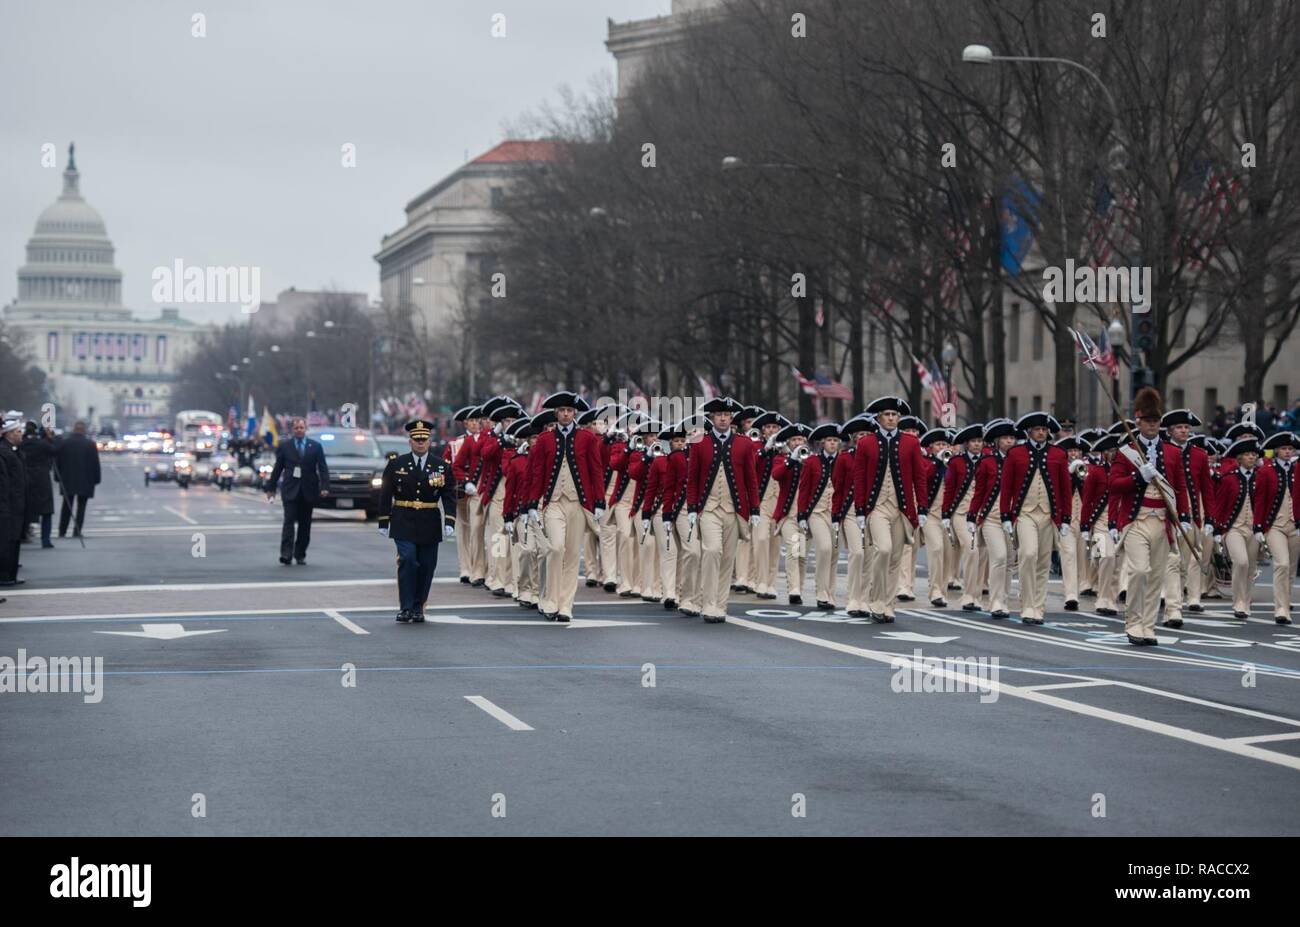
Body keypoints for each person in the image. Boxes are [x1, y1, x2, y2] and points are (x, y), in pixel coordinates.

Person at [1109, 388, 1192, 644]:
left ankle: (1147, 625)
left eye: (1156, 422)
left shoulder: (1173, 453)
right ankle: (1132, 622)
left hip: (1163, 521)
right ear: (1139, 422)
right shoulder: (1126, 452)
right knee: (1139, 571)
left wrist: (1185, 516)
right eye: (1148, 422)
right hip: (1137, 519)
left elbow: (1179, 486)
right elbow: (1114, 485)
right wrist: (1138, 477)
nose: (1153, 426)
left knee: (1156, 575)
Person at [524, 391, 606, 622]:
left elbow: (596, 471)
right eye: (562, 411)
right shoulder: (544, 440)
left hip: (579, 504)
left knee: (571, 555)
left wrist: (599, 501)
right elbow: (536, 473)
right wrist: (532, 502)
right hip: (553, 503)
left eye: (569, 410)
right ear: (556, 413)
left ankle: (565, 605)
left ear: (575, 413)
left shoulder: (588, 439)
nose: (566, 414)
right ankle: (550, 600)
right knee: (555, 548)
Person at [685, 396, 760, 623]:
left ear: (731, 418)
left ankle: (720, 604)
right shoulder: (699, 442)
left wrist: (755, 509)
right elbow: (693, 478)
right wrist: (691, 508)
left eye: (727, 415)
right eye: (719, 415)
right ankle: (707, 603)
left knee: (728, 558)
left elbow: (751, 479)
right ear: (711, 418)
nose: (723, 419)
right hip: (708, 509)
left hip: (735, 510)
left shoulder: (745, 444)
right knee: (712, 551)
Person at [853, 396, 927, 623]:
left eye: (895, 415)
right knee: (883, 550)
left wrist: (922, 508)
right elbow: (860, 477)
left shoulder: (911, 443)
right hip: (876, 507)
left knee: (895, 559)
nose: (891, 418)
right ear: (878, 418)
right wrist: (859, 510)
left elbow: (919, 476)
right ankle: (875, 600)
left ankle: (888, 604)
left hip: (902, 508)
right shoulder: (865, 443)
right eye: (887, 414)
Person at [377, 418, 458, 623]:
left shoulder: (441, 466)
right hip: (403, 520)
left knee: (427, 565)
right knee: (408, 560)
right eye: (416, 439)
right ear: (410, 441)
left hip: (429, 522)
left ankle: (418, 606)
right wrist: (383, 521)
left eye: (424, 439)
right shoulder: (397, 464)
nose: (420, 443)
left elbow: (449, 494)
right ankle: (405, 607)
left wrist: (450, 520)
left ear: (430, 441)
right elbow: (386, 493)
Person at [999, 412, 1071, 625]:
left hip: (1049, 515)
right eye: (1038, 429)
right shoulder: (1016, 453)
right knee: (1028, 554)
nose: (1042, 433)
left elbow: (1065, 489)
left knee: (1043, 561)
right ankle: (1027, 604)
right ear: (1029, 431)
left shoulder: (1058, 454)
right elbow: (1007, 487)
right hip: (1025, 513)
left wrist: (1066, 518)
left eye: (1044, 430)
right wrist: (1005, 515)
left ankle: (1038, 606)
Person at [1162, 410, 1215, 621]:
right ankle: (1173, 607)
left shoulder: (1199, 455)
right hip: (1167, 514)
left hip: (1191, 515)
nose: (1184, 431)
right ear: (1170, 431)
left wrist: (1210, 517)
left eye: (1186, 427)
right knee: (1171, 561)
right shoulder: (1163, 451)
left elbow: (1206, 489)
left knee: (1186, 561)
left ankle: (1181, 599)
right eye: (1179, 427)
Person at [1211, 436, 1270, 620]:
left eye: (1254, 454)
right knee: (1241, 562)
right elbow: (1219, 505)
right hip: (1233, 528)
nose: (1252, 457)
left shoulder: (1261, 477)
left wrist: (1263, 528)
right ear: (1239, 458)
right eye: (1247, 454)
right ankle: (1238, 601)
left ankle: (1246, 600)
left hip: (1254, 528)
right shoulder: (1228, 479)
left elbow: (1265, 503)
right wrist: (1217, 530)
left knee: (1251, 567)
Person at [265, 417, 330, 565]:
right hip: (290, 491)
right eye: (296, 428)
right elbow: (278, 468)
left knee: (305, 525)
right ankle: (286, 554)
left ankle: (300, 553)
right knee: (288, 523)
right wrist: (271, 487)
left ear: (305, 429)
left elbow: (323, 468)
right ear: (292, 430)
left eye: (301, 428)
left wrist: (325, 487)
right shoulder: (285, 446)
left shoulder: (316, 447)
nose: (299, 430)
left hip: (308, 491)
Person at [969, 418, 1017, 617]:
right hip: (991, 516)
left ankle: (1003, 599)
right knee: (998, 556)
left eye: (1012, 438)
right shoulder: (987, 462)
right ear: (997, 441)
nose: (1009, 441)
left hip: (1013, 517)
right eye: (1005, 438)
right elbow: (979, 491)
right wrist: (972, 516)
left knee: (1010, 561)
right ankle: (995, 601)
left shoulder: (1020, 460)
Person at [796, 423, 844, 610]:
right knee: (823, 548)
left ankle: (830, 593)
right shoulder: (812, 462)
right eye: (830, 440)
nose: (833, 444)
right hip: (816, 512)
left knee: (834, 553)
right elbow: (804, 489)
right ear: (823, 442)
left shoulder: (844, 461)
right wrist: (801, 515)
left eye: (836, 441)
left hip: (836, 513)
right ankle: (820, 592)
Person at [942, 423, 986, 611]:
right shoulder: (956, 462)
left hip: (983, 514)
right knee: (972, 549)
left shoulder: (988, 461)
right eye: (973, 442)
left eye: (979, 441)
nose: (977, 445)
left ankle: (977, 595)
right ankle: (967, 595)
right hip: (960, 513)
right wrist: (945, 514)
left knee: (983, 554)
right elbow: (949, 489)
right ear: (966, 444)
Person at [1261, 431, 1298, 624]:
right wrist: (1259, 527)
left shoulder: (1298, 469)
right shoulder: (1267, 471)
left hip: (1295, 525)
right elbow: (1261, 500)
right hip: (1275, 525)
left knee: (1291, 568)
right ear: (1276, 451)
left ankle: (1286, 601)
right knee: (1282, 564)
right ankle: (1281, 609)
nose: (1287, 452)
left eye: (1290, 449)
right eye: (1283, 448)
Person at [53, 420, 100, 538]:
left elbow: (57, 462)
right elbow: (95, 464)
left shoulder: (65, 443)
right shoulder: (90, 444)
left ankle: (62, 530)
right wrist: (96, 479)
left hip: (67, 479)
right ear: (84, 430)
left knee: (66, 506)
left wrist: (57, 477)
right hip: (85, 480)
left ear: (74, 429)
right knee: (81, 507)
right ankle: (77, 530)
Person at [0, 418, 28, 586]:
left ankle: (11, 574)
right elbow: (5, 483)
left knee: (14, 541)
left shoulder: (15, 451)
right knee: (6, 543)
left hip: (16, 505)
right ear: (9, 434)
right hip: (8, 506)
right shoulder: (4, 452)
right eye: (18, 432)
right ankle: (5, 575)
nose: (21, 434)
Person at [21, 422, 56, 548]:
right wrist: (50, 438)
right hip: (42, 478)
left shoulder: (22, 444)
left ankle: (23, 534)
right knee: (46, 510)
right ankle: (45, 539)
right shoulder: (43, 444)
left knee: (24, 508)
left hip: (25, 477)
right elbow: (55, 451)